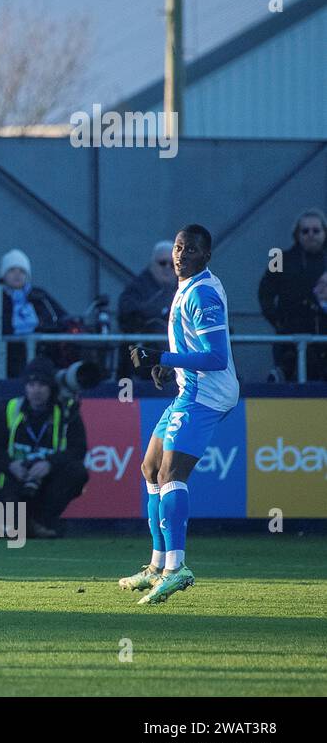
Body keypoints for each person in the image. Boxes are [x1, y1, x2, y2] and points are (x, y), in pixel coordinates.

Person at [121, 224, 239, 605]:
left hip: (207, 393)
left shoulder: (203, 292)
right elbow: (194, 347)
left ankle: (177, 567)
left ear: (206, 256)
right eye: (177, 247)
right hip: (190, 389)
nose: (180, 255)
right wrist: (170, 367)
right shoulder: (187, 286)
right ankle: (157, 565)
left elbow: (217, 356)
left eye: (190, 250)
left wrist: (164, 358)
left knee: (171, 472)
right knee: (150, 467)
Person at [0, 357, 89, 537]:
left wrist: (49, 464)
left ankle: (43, 521)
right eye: (31, 384)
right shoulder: (11, 408)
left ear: (51, 387)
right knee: (15, 529)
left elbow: (78, 449)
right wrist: (11, 465)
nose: (36, 390)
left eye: (42, 385)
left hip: (48, 481)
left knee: (77, 472)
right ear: (25, 387)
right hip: (16, 478)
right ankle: (32, 525)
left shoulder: (66, 412)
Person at [258, 208, 326, 381]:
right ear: (297, 234)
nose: (311, 235)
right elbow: (264, 291)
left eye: (316, 230)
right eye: (305, 231)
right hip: (290, 334)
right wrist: (277, 320)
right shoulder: (278, 257)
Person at [0, 248, 70, 377]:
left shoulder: (39, 295)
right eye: (12, 270)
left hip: (40, 353)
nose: (17, 274)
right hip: (7, 355)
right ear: (4, 274)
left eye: (22, 271)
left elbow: (60, 316)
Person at [118, 240, 177, 378]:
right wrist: (159, 308)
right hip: (145, 353)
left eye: (172, 264)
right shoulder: (137, 287)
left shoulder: (186, 286)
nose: (167, 268)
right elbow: (127, 312)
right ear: (152, 264)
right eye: (162, 263)